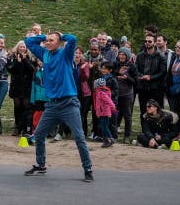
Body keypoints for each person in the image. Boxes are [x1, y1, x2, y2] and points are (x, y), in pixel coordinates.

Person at [24, 31, 94, 182]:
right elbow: (28, 42)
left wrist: (62, 36)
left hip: (69, 103)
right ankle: (41, 165)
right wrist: (44, 37)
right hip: (52, 106)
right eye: (47, 41)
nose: (48, 43)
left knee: (79, 137)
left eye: (51, 40)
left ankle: (87, 169)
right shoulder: (45, 54)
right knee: (39, 135)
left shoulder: (66, 54)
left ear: (59, 42)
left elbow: (73, 39)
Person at [135, 34, 167, 126]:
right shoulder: (140, 55)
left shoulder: (161, 56)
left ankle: (157, 132)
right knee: (143, 111)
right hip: (143, 88)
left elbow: (163, 72)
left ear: (155, 43)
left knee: (157, 111)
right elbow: (135, 69)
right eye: (146, 41)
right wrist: (142, 76)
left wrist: (151, 77)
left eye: (150, 41)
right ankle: (145, 132)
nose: (147, 43)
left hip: (156, 88)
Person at [7, 41, 35, 136]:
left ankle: (24, 127)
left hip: (27, 85)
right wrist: (17, 62)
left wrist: (24, 60)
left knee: (26, 106)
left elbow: (32, 69)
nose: (22, 48)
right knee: (17, 106)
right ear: (17, 48)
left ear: (26, 49)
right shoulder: (13, 57)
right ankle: (17, 127)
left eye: (24, 47)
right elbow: (10, 69)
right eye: (20, 47)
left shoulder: (30, 57)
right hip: (16, 86)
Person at [93, 67, 118, 148]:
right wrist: (97, 112)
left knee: (104, 126)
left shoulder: (101, 93)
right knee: (103, 126)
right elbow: (97, 104)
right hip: (102, 112)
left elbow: (108, 101)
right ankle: (106, 140)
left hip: (104, 112)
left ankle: (110, 139)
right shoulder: (100, 92)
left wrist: (113, 107)